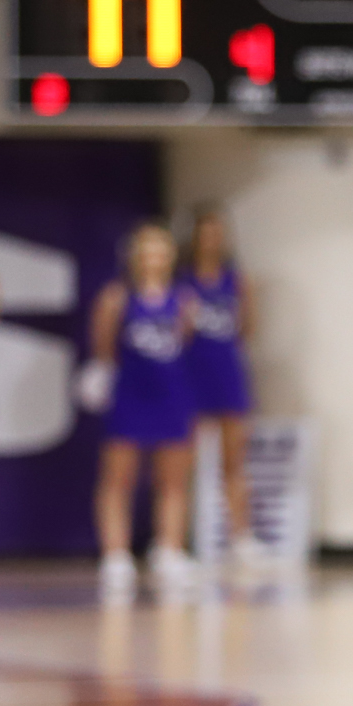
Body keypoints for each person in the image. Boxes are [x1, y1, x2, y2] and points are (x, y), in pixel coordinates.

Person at [87, 222, 198, 596]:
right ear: (135, 257)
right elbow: (104, 349)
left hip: (171, 394)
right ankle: (116, 555)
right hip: (131, 393)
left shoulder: (184, 301)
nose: (155, 258)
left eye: (161, 250)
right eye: (147, 250)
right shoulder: (116, 298)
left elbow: (185, 344)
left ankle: (169, 549)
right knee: (118, 479)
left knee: (173, 480)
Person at [180, 205, 261, 569]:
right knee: (184, 462)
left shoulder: (236, 280)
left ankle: (241, 538)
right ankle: (179, 542)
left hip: (227, 372)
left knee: (234, 462)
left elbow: (248, 327)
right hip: (190, 376)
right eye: (206, 232)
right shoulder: (181, 283)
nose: (213, 239)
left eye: (219, 232)